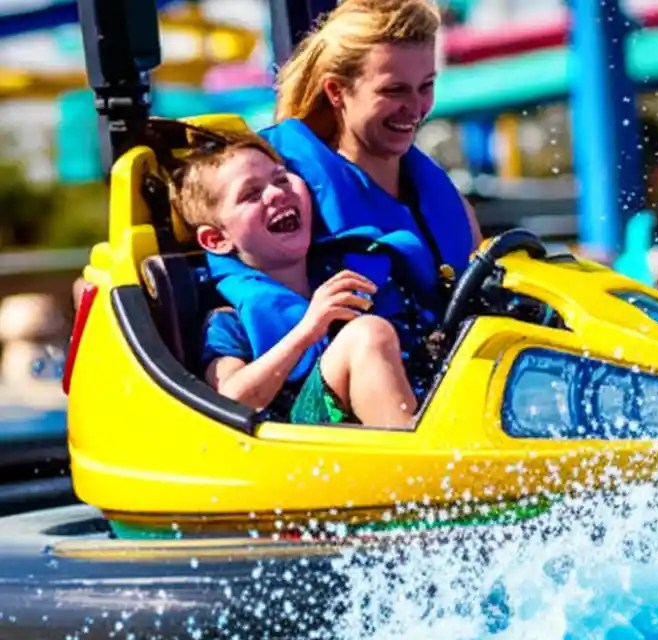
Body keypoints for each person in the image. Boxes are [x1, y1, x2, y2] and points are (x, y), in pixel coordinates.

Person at [173, 132, 433, 429]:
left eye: (282, 179)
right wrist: (309, 329)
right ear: (217, 239)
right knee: (367, 333)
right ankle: (417, 465)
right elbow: (229, 399)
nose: (276, 193)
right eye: (251, 194)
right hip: (298, 443)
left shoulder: (348, 271)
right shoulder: (228, 322)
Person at [263, 0, 479, 305]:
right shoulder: (289, 201)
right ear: (336, 91)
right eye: (394, 91)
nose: (415, 108)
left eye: (425, 86)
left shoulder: (449, 201)